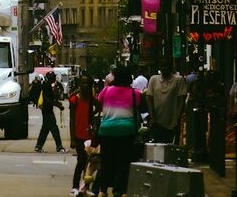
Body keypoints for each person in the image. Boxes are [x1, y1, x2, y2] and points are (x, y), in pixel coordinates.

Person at [95, 66, 142, 197]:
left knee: (106, 162)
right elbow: (140, 107)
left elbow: (99, 101)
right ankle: (119, 190)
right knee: (124, 162)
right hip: (126, 131)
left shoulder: (106, 91)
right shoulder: (135, 94)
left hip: (107, 130)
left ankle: (102, 190)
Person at [69, 77, 100, 196]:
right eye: (83, 83)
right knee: (81, 161)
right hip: (78, 135)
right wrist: (72, 139)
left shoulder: (92, 100)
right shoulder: (74, 100)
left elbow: (99, 106)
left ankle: (84, 186)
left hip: (88, 135)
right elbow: (72, 120)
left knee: (88, 163)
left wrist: (92, 116)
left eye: (87, 83)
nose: (85, 85)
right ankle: (75, 186)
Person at [146, 61, 188, 144]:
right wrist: (152, 117)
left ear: (171, 68)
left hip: (172, 122)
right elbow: (149, 98)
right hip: (157, 121)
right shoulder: (153, 79)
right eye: (162, 66)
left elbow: (181, 100)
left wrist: (177, 119)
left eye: (166, 66)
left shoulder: (178, 80)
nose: (164, 68)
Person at [34, 71, 67, 153]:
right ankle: (59, 147)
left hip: (47, 110)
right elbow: (47, 100)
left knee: (45, 129)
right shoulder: (47, 86)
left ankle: (39, 146)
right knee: (54, 129)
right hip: (47, 110)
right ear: (51, 78)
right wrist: (58, 105)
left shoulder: (48, 85)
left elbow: (52, 98)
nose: (55, 78)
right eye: (54, 77)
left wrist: (57, 103)